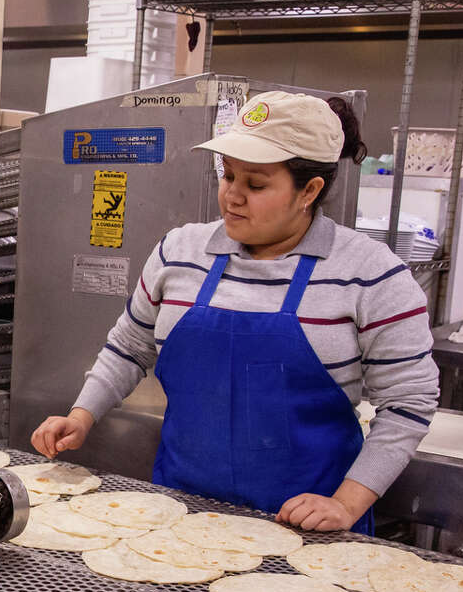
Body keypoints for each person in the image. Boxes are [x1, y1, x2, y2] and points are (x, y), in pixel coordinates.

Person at [31, 91, 439, 535]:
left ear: (310, 191)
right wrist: (81, 414)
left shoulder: (371, 275)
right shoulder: (180, 251)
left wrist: (346, 503)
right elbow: (130, 347)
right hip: (181, 512)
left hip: (307, 528)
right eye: (228, 177)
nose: (232, 197)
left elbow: (408, 404)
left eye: (256, 185)